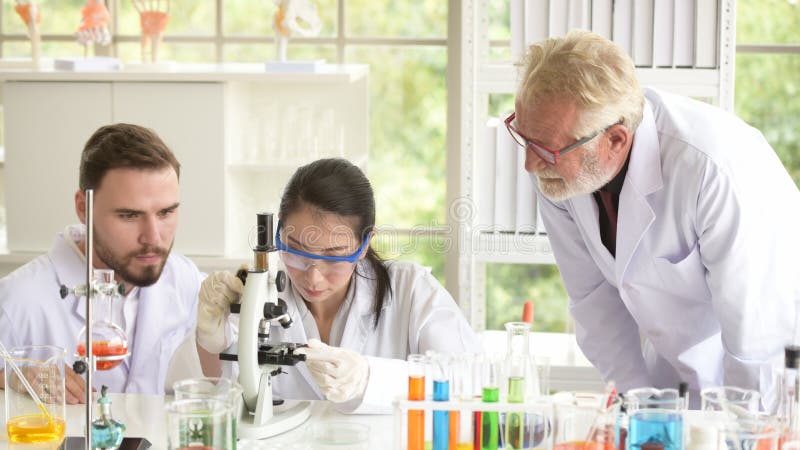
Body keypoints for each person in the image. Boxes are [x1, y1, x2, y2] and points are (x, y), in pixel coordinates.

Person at [508, 30, 800, 410]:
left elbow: (757, 344)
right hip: (676, 378)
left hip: (768, 378)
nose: (529, 163)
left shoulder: (711, 167)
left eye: (544, 148)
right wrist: (639, 412)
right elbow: (595, 301)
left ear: (615, 140)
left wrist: (739, 434)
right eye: (524, 137)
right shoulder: (558, 171)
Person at [197, 158, 479, 413]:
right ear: (279, 233)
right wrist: (211, 340)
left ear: (365, 243)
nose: (313, 277)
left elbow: (467, 380)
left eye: (334, 257)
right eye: (295, 250)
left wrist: (368, 377)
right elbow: (221, 390)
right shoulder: (259, 291)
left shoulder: (412, 289)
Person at [0, 123, 204, 402]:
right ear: (84, 208)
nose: (153, 237)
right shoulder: (19, 299)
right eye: (129, 215)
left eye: (166, 212)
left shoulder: (184, 278)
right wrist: (11, 376)